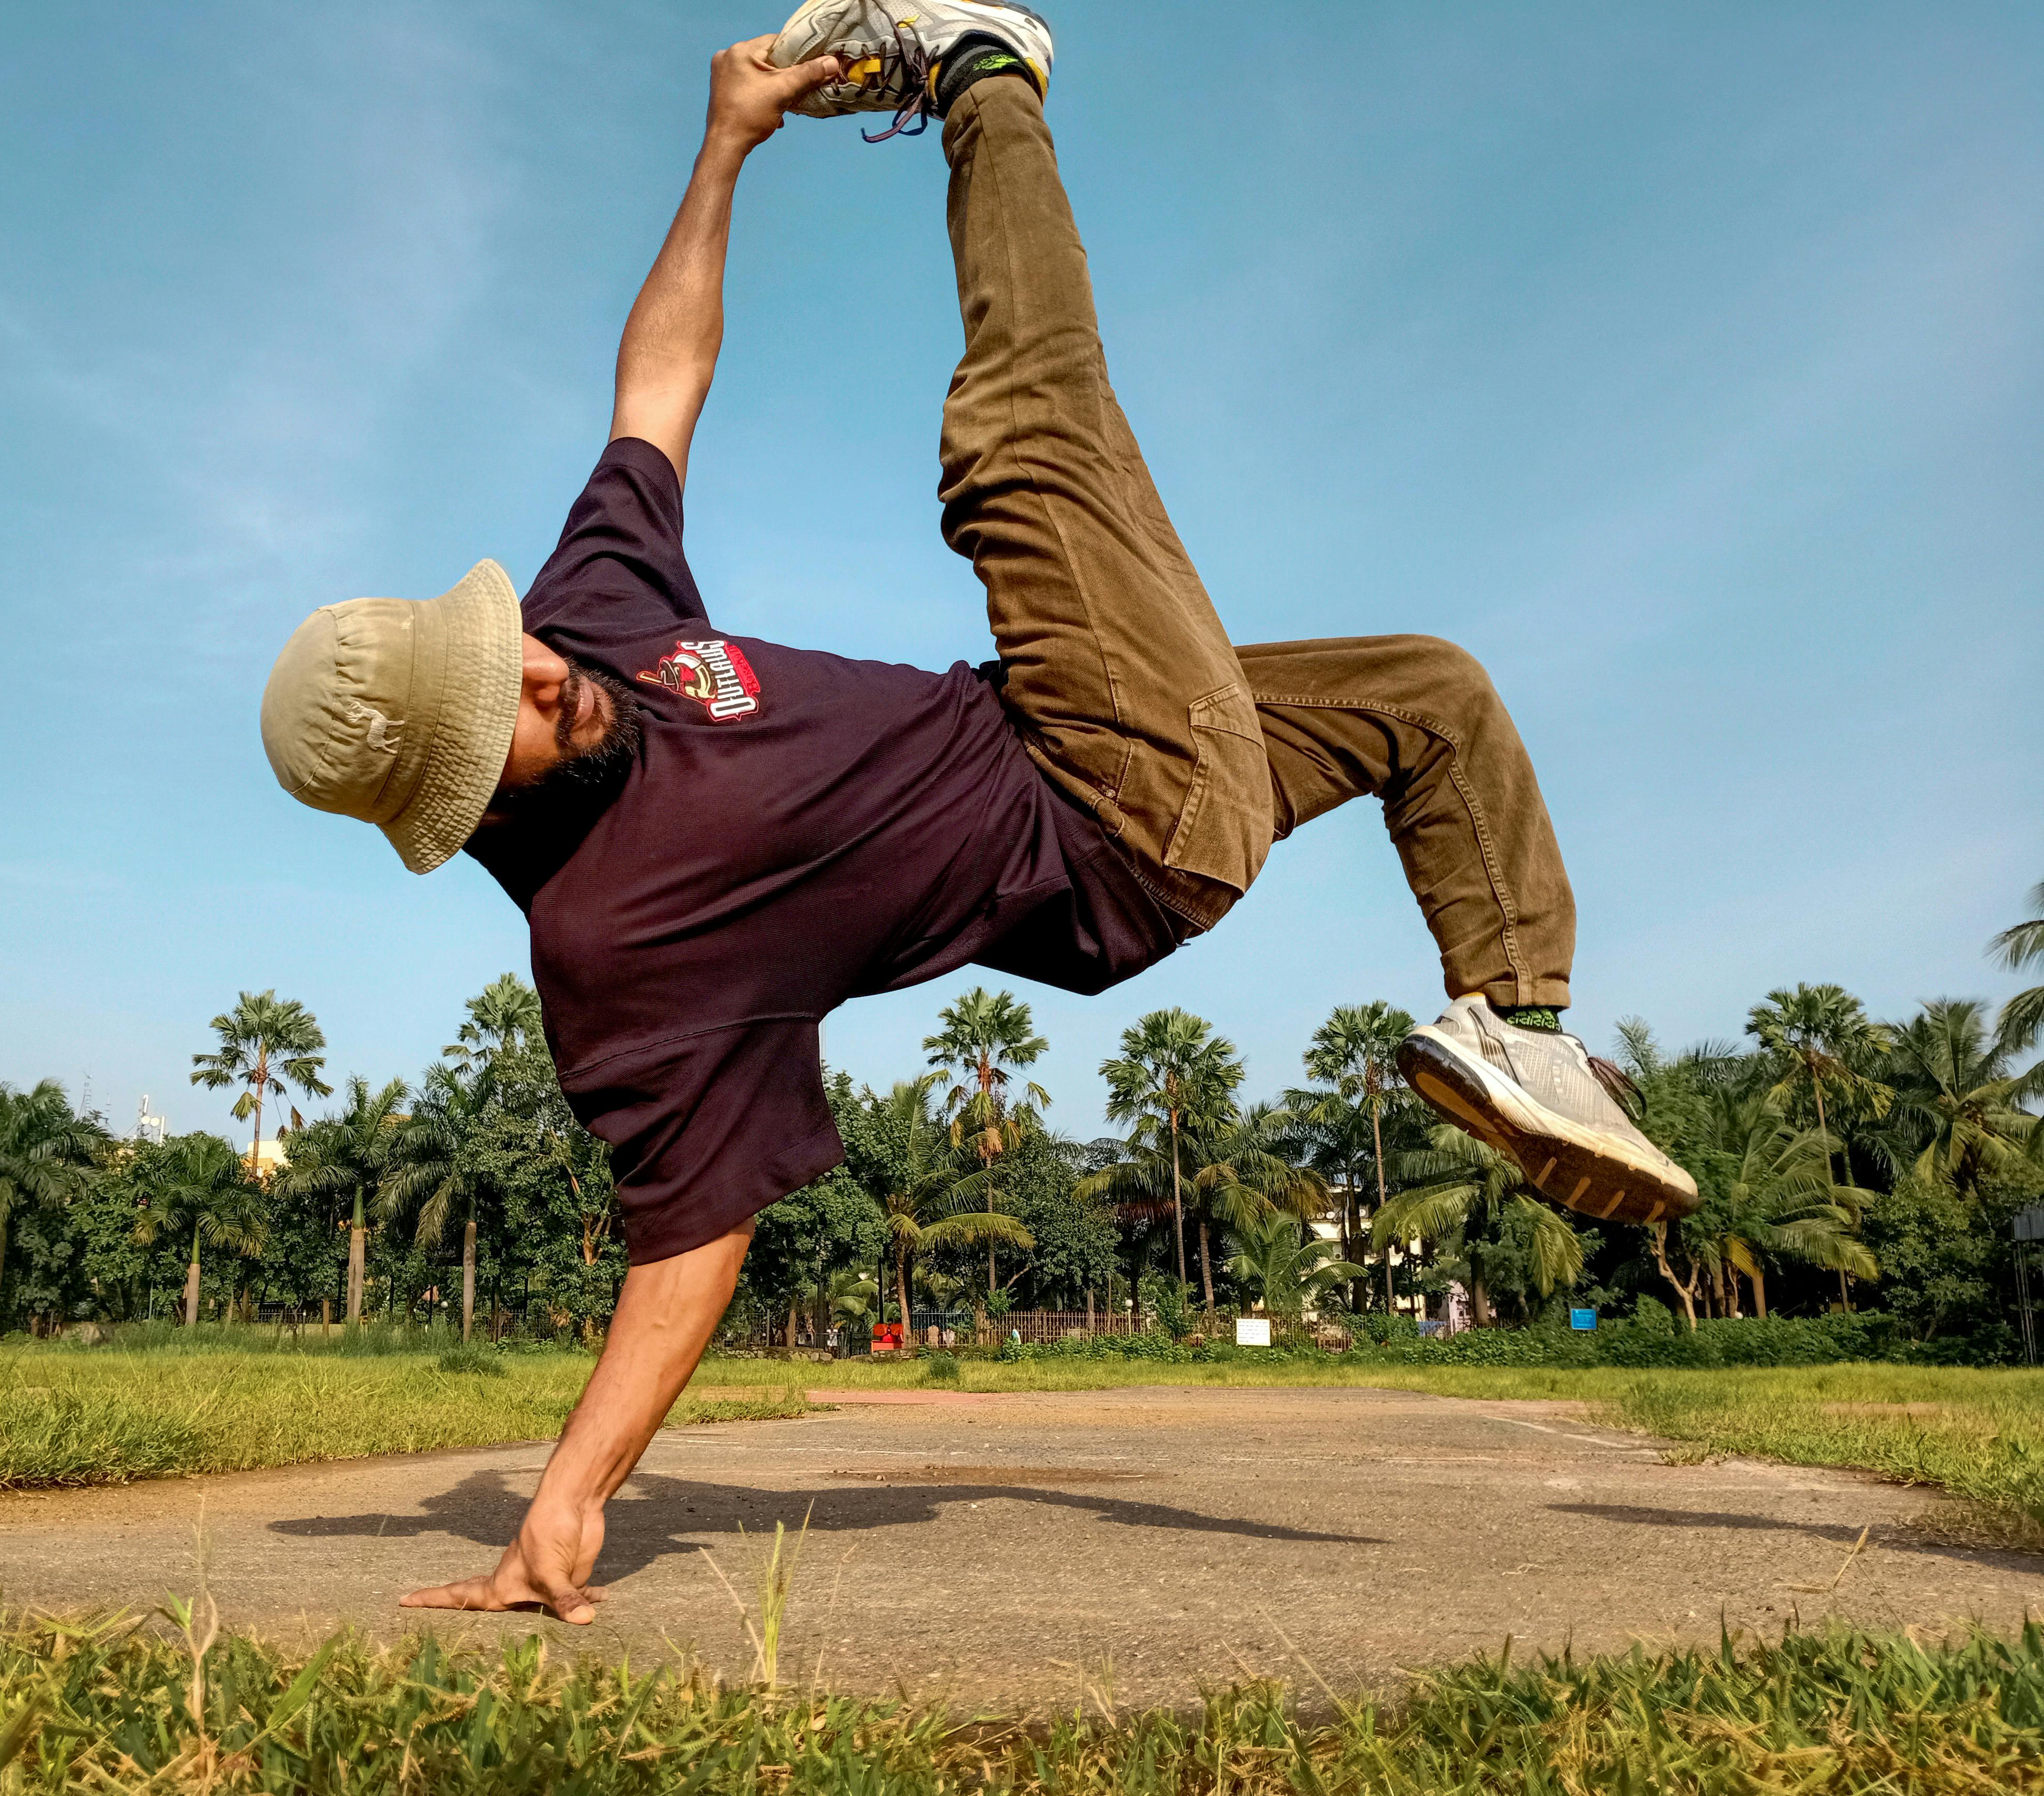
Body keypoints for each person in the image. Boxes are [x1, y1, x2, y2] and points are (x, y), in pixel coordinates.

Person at [257, 0, 1699, 1625]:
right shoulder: (620, 948)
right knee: (1023, 439)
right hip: (1113, 803)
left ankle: (1523, 1026)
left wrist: (723, 145)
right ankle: (980, 69)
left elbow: (657, 380)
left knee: (1429, 695)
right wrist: (566, 1504)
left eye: (498, 649)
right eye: (490, 710)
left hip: (1115, 760)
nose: (537, 678)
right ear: (456, 790)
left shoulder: (588, 626)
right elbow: (686, 1238)